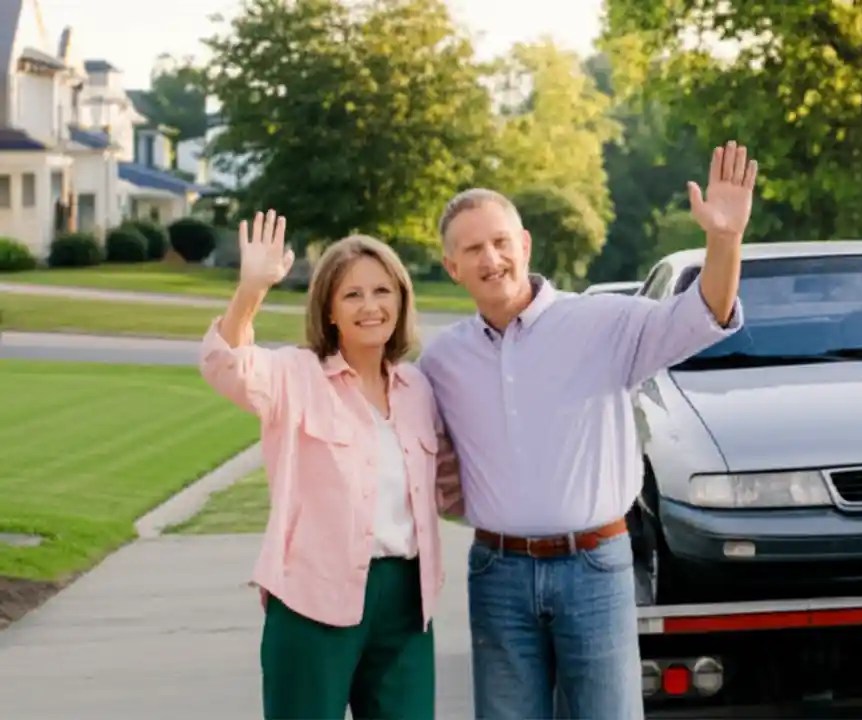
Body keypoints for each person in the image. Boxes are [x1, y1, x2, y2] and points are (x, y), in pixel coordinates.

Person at [418, 141, 756, 719]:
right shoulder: (442, 360)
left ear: (524, 245)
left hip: (594, 567)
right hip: (498, 574)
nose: (491, 258)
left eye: (501, 242)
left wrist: (723, 240)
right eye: (473, 249)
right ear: (452, 267)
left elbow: (703, 315)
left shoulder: (604, 323)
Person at [198, 210, 463, 720]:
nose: (371, 306)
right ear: (330, 312)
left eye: (382, 291)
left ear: (401, 299)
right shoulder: (296, 376)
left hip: (406, 604)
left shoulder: (418, 390)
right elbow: (225, 365)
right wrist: (250, 291)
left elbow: (451, 484)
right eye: (353, 295)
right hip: (310, 602)